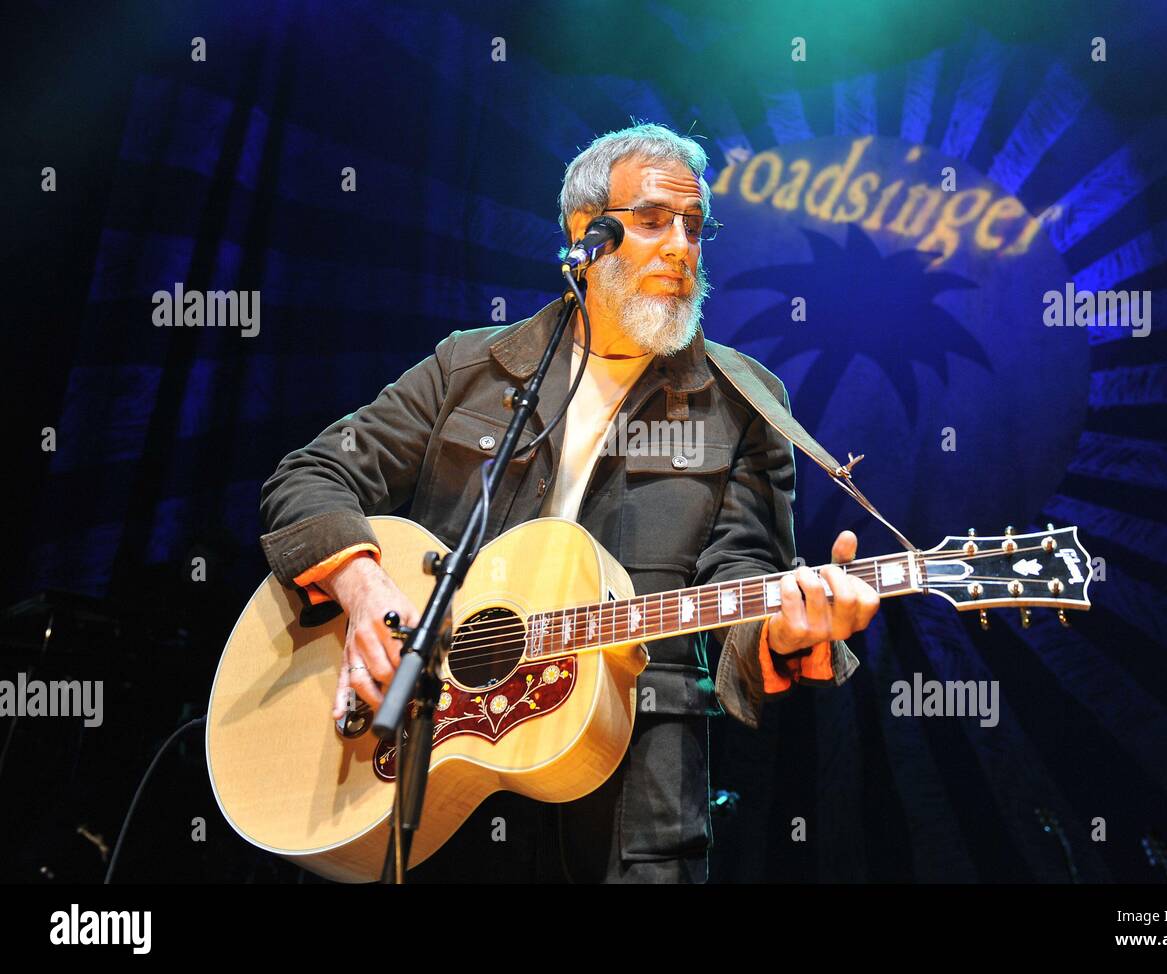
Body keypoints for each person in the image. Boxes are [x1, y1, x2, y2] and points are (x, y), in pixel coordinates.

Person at [258, 122, 879, 883]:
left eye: (694, 226)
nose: (682, 246)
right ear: (588, 236)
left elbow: (740, 574)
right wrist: (365, 590)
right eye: (654, 221)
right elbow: (309, 476)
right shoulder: (472, 367)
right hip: (435, 766)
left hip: (632, 799)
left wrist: (784, 631)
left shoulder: (745, 401)